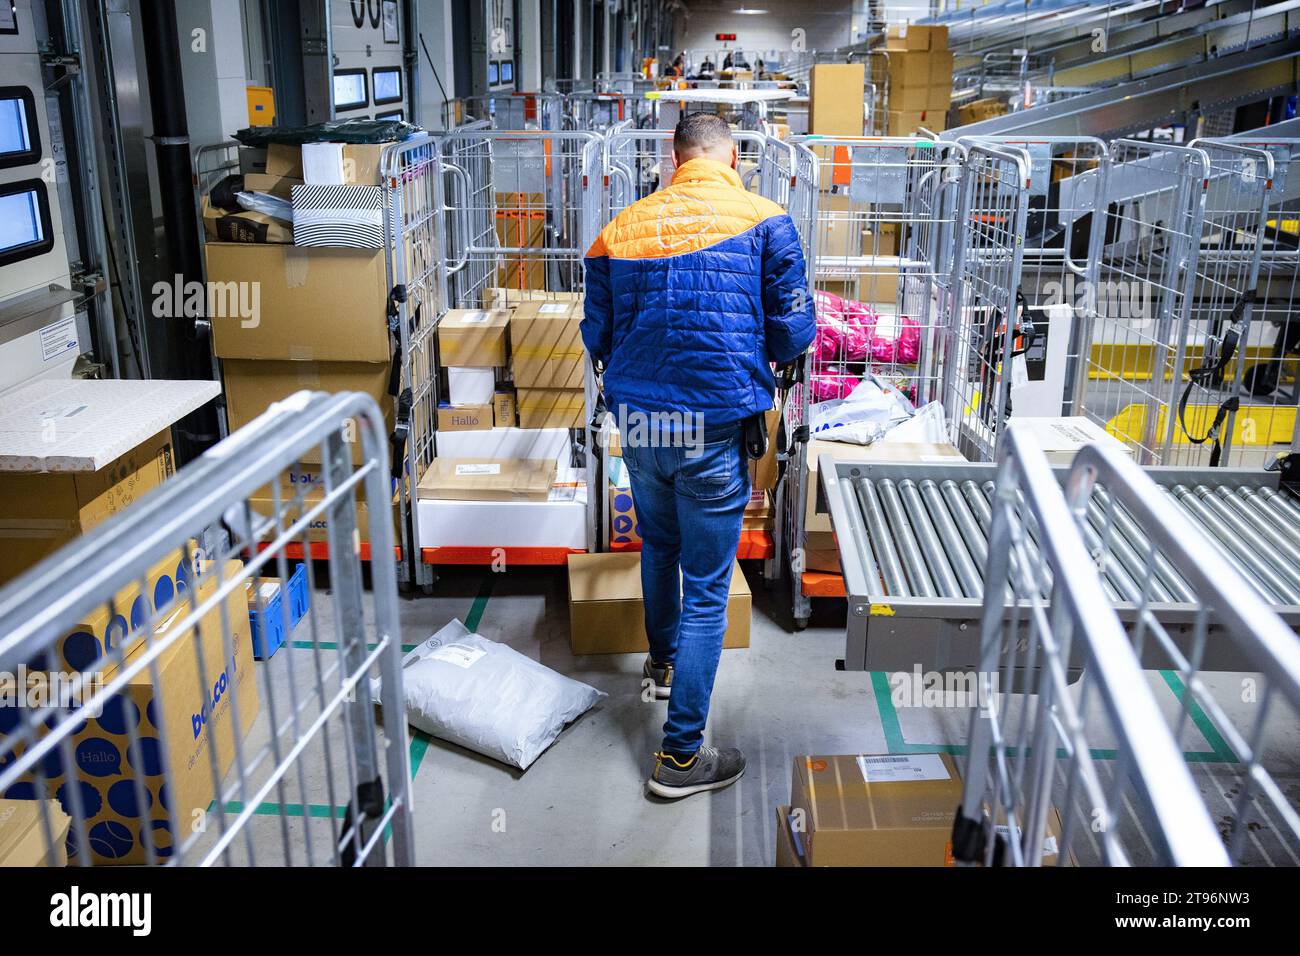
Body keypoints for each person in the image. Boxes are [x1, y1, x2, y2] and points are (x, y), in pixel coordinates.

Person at [580, 113, 815, 799]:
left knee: (658, 545)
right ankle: (680, 757)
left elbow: (597, 330)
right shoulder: (766, 220)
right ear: (733, 157)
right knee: (709, 587)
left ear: (672, 158)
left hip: (645, 426)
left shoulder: (619, 229)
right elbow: (794, 327)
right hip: (714, 426)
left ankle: (659, 664)